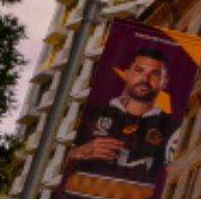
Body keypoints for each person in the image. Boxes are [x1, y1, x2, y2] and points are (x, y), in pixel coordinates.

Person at [69, 47, 178, 186]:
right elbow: (53, 156)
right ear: (126, 74)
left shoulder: (172, 128)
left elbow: (174, 174)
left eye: (155, 74)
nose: (145, 79)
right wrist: (80, 152)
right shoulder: (91, 112)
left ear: (164, 82)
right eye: (139, 70)